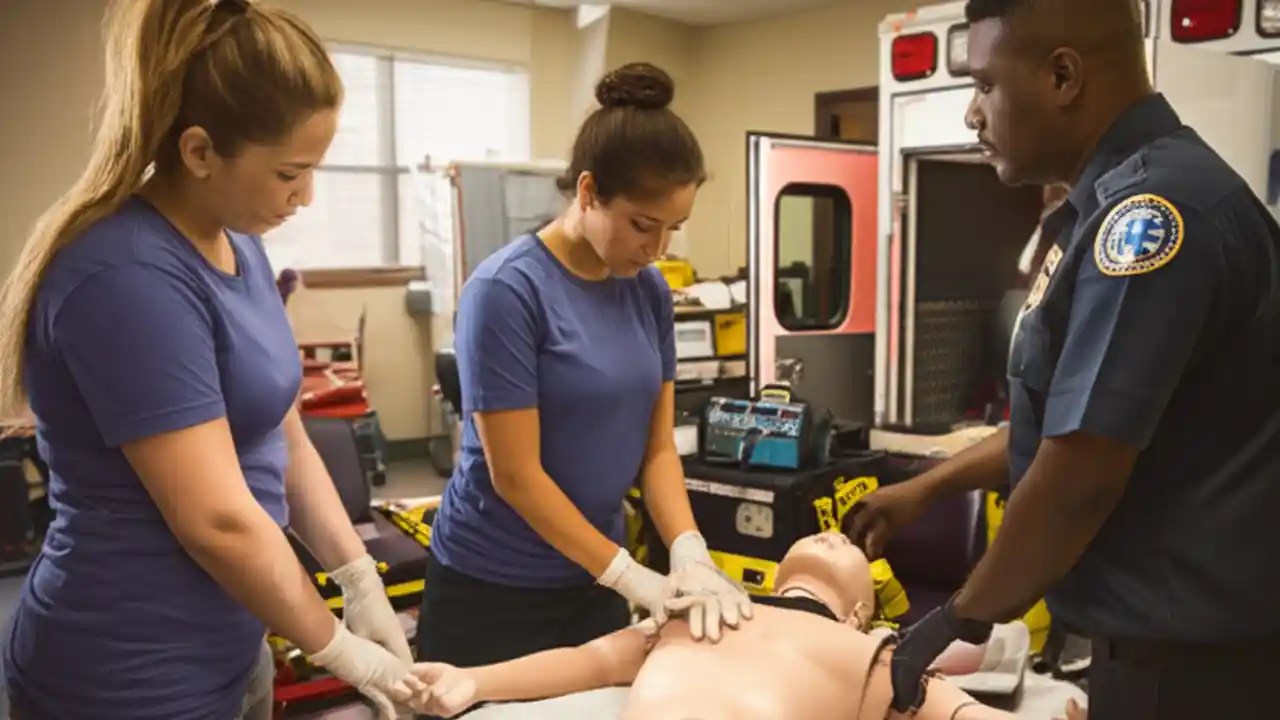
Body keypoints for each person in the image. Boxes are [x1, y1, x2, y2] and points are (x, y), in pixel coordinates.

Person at [844, 1, 1280, 718]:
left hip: (1195, 676)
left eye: (984, 84)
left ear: (1063, 76)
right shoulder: (1117, 207)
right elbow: (1067, 419)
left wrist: (956, 620)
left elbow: (1080, 470)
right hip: (1165, 657)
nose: (971, 115)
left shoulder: (1152, 220)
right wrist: (926, 486)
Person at [0, 1, 424, 718]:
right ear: (199, 152)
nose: (307, 196)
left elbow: (282, 432)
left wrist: (357, 578)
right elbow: (217, 521)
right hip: (126, 671)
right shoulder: (125, 276)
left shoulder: (241, 245)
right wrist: (341, 650)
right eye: (291, 172)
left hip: (233, 641)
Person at [418, 61, 753, 674]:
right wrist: (630, 576)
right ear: (589, 191)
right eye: (642, 225)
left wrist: (688, 550)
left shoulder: (647, 291)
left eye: (674, 229)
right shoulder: (507, 290)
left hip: (594, 581)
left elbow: (656, 449)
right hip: (494, 587)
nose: (656, 250)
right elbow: (515, 475)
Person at [408, 533, 1071, 720]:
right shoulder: (703, 609)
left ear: (860, 609)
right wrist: (473, 680)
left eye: (855, 554)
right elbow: (589, 661)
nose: (835, 535)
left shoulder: (872, 652)